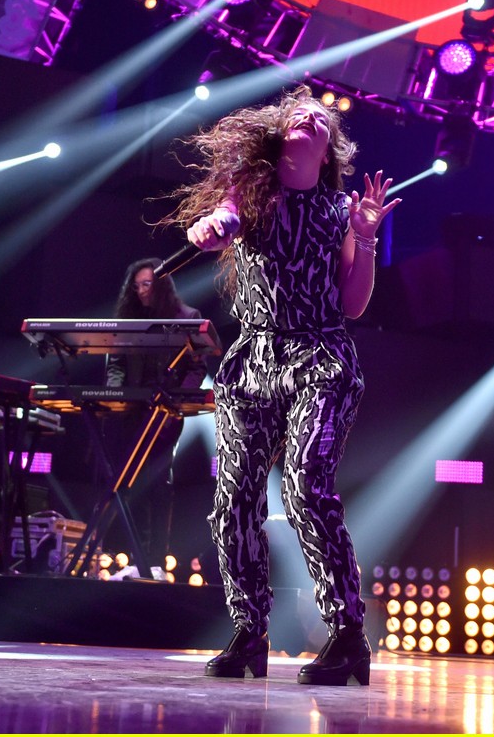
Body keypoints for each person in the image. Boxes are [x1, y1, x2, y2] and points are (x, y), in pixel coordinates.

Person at [163, 86, 399, 686]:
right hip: (254, 358)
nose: (308, 115)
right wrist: (210, 227)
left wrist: (366, 237)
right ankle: (250, 634)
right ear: (281, 138)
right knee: (233, 499)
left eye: (321, 118)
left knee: (304, 487)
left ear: (327, 153)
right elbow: (224, 222)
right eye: (299, 112)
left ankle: (347, 636)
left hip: (320, 354)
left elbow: (351, 304)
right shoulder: (252, 191)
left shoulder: (341, 209)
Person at [103, 257, 208, 559]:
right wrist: (115, 396)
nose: (141, 292)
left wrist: (176, 398)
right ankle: (133, 556)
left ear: (161, 284)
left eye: (146, 284)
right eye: (136, 287)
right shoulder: (129, 318)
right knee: (130, 483)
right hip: (131, 410)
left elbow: (197, 367)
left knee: (159, 482)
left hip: (166, 411)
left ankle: (156, 557)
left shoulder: (186, 316)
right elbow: (116, 365)